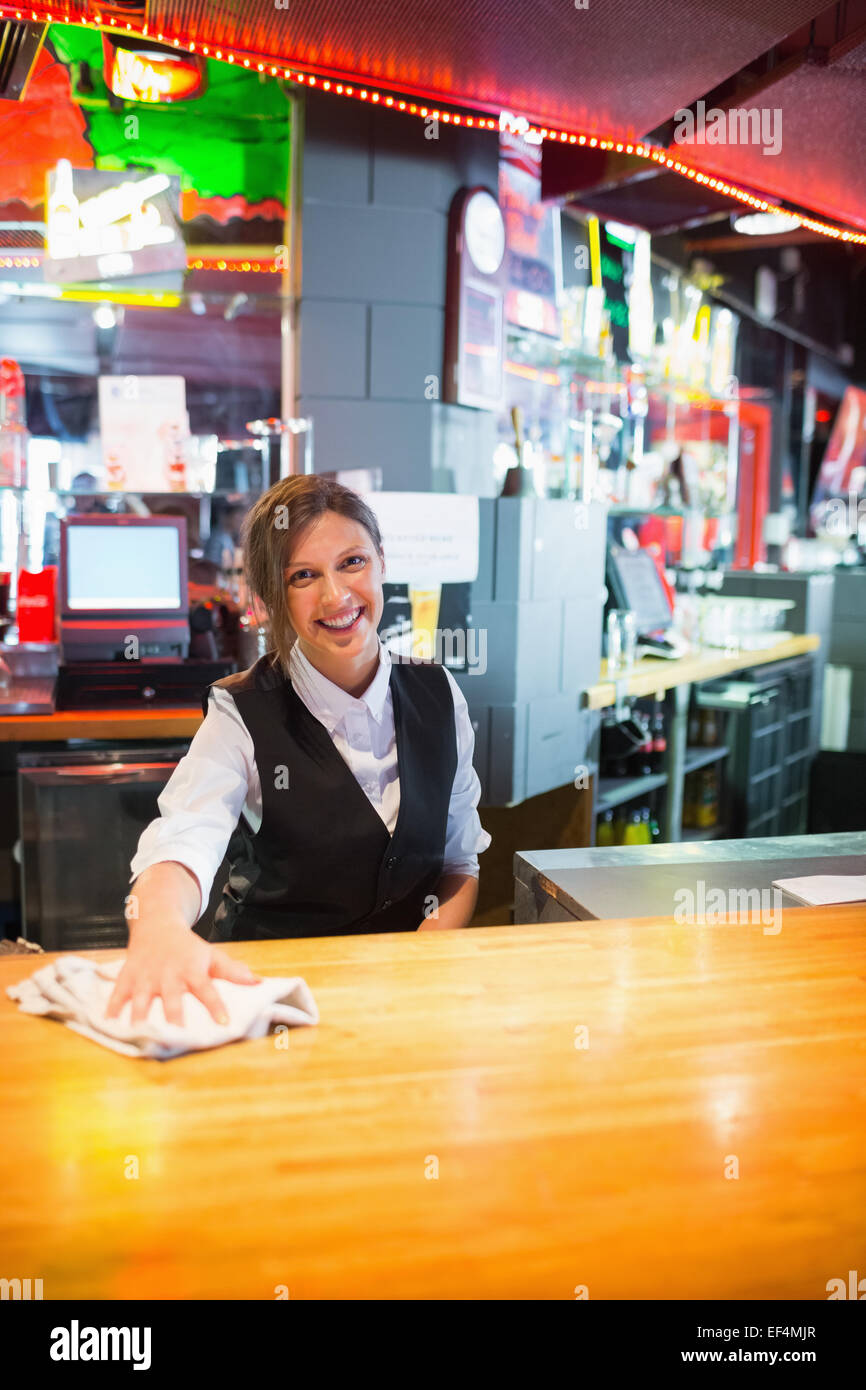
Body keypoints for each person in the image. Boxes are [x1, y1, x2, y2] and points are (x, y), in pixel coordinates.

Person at [106, 475, 491, 1028]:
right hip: (270, 1000)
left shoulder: (438, 694)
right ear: (267, 601)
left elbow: (459, 862)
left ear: (382, 563)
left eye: (352, 562)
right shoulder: (242, 712)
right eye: (303, 576)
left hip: (406, 1005)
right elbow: (185, 836)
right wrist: (159, 928)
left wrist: (420, 964)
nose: (336, 596)